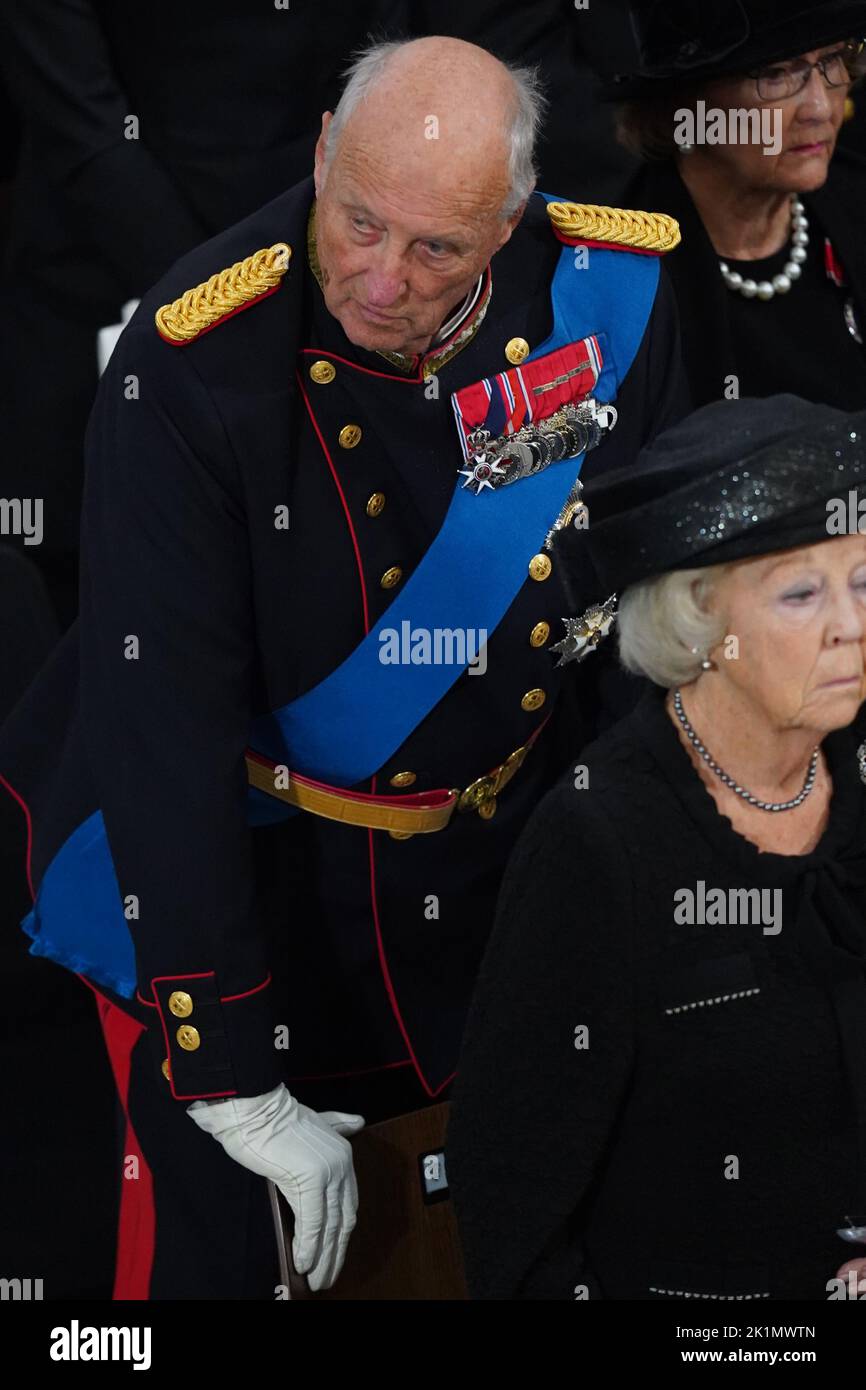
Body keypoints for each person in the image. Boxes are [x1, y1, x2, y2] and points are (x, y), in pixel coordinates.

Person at [0, 35, 688, 1299]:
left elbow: (631, 645)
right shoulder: (192, 359)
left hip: (503, 861)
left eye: (436, 250)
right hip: (253, 882)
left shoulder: (609, 290)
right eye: (357, 219)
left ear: (510, 223)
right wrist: (231, 1067)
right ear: (320, 152)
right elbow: (163, 728)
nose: (379, 279)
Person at [446, 393, 866, 1300]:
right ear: (701, 625)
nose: (852, 624)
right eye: (802, 591)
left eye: (864, 580)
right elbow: (511, 1196)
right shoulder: (600, 841)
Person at [601, 0, 866, 409]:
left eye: (832, 60)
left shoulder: (854, 198)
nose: (820, 108)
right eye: (777, 75)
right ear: (686, 106)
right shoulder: (620, 279)